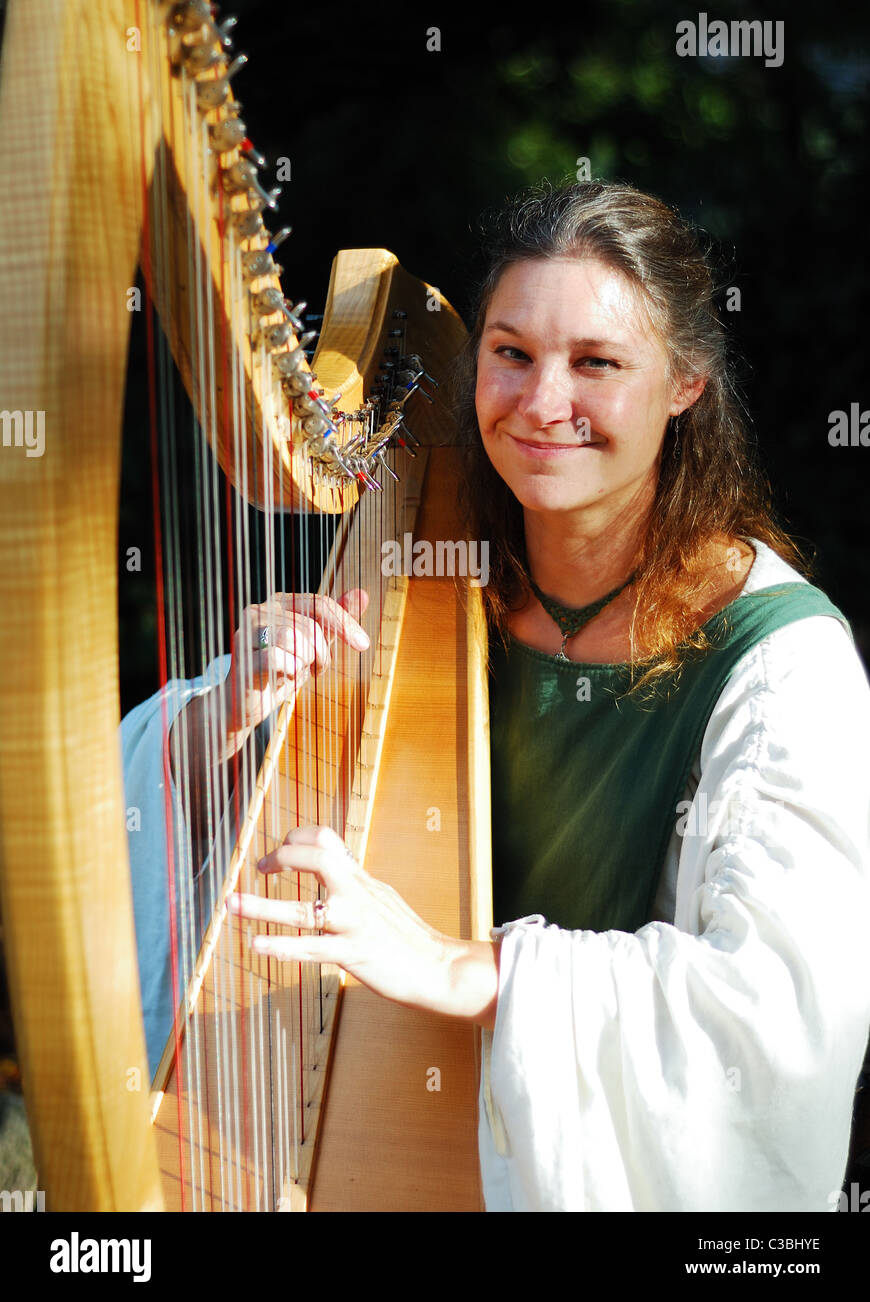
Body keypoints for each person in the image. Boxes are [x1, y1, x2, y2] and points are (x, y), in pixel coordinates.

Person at [129, 180, 870, 1211]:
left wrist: (463, 968)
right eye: (512, 352)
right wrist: (231, 711)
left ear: (687, 380)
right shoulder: (429, 564)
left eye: (597, 364)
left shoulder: (784, 661)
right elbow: (124, 817)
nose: (539, 403)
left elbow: (775, 1015)